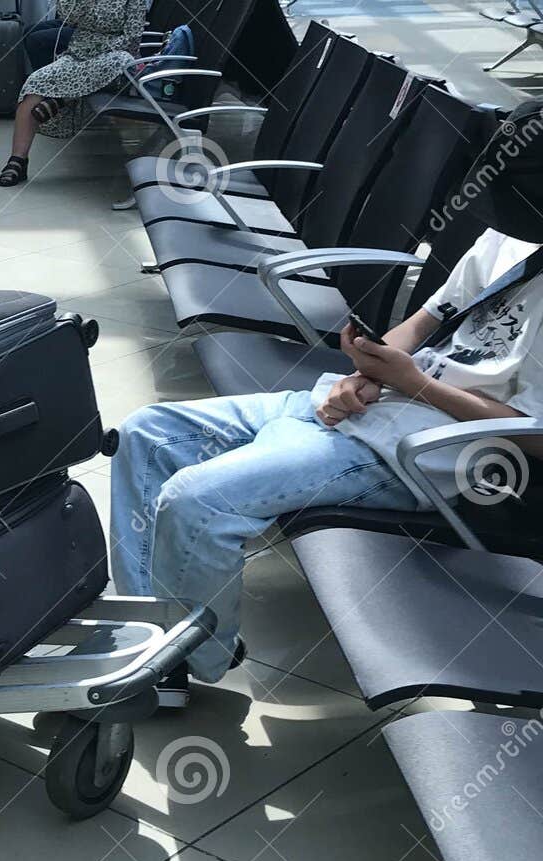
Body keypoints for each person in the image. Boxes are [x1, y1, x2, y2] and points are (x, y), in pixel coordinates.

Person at [112, 227, 543, 707]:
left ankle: (185, 658)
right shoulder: (507, 240)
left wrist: (412, 383)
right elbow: (422, 326)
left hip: (416, 454)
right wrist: (365, 369)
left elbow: (535, 435)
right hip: (359, 406)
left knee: (198, 500)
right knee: (147, 433)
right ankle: (148, 631)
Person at [0, 0, 147, 187]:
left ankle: (63, 98)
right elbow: (69, 17)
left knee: (122, 61)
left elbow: (132, 40)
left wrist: (98, 48)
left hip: (112, 56)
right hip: (78, 55)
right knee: (35, 82)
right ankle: (18, 159)